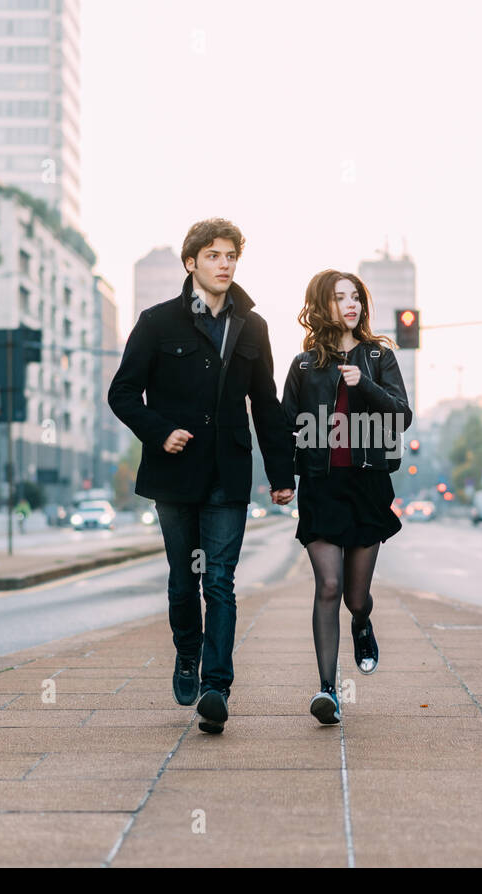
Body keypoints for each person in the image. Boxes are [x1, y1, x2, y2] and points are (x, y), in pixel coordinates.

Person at [108, 218, 295, 735]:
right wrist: (159, 431)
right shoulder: (157, 322)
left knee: (220, 580)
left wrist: (281, 474)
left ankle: (216, 686)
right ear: (192, 263)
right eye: (213, 255)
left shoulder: (252, 327)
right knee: (182, 579)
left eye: (231, 255)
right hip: (174, 474)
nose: (224, 264)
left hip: (230, 474)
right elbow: (122, 392)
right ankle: (186, 655)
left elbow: (266, 402)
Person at [281, 270, 412, 725]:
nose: (351, 304)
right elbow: (285, 427)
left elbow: (402, 416)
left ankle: (361, 623)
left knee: (355, 597)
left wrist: (365, 384)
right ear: (323, 305)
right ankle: (327, 691)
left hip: (366, 485)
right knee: (328, 587)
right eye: (340, 297)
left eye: (355, 297)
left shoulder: (379, 355)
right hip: (320, 487)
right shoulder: (302, 365)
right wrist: (281, 479)